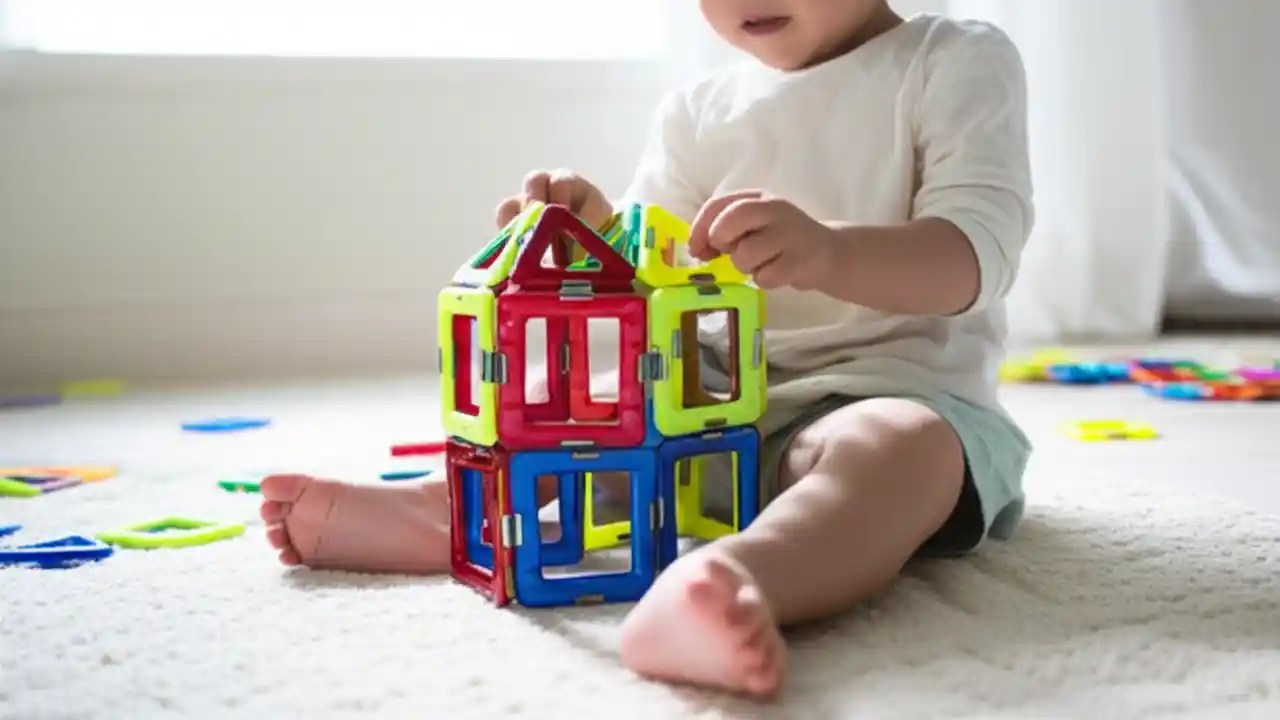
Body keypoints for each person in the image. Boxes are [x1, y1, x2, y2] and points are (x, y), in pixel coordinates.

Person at [260, 0, 1034, 700]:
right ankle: (446, 514)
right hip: (704, 411)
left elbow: (977, 252)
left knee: (898, 449)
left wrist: (829, 252)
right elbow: (645, 272)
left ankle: (732, 580)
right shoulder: (697, 112)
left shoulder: (953, 58)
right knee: (574, 410)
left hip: (893, 392)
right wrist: (587, 233)